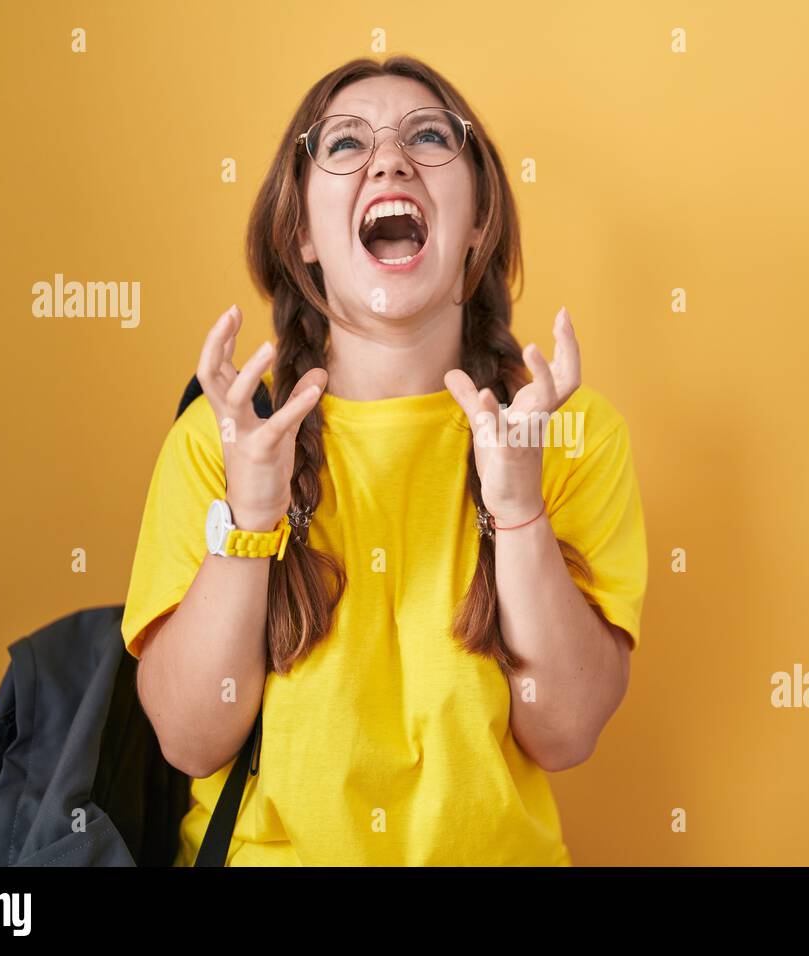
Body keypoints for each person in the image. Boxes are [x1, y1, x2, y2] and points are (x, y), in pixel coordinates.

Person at [120, 54, 648, 866]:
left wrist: (519, 509)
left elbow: (566, 730)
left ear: (478, 220)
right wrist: (251, 520)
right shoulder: (224, 438)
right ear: (300, 229)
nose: (390, 159)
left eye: (429, 137)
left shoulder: (566, 432)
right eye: (344, 145)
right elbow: (191, 740)